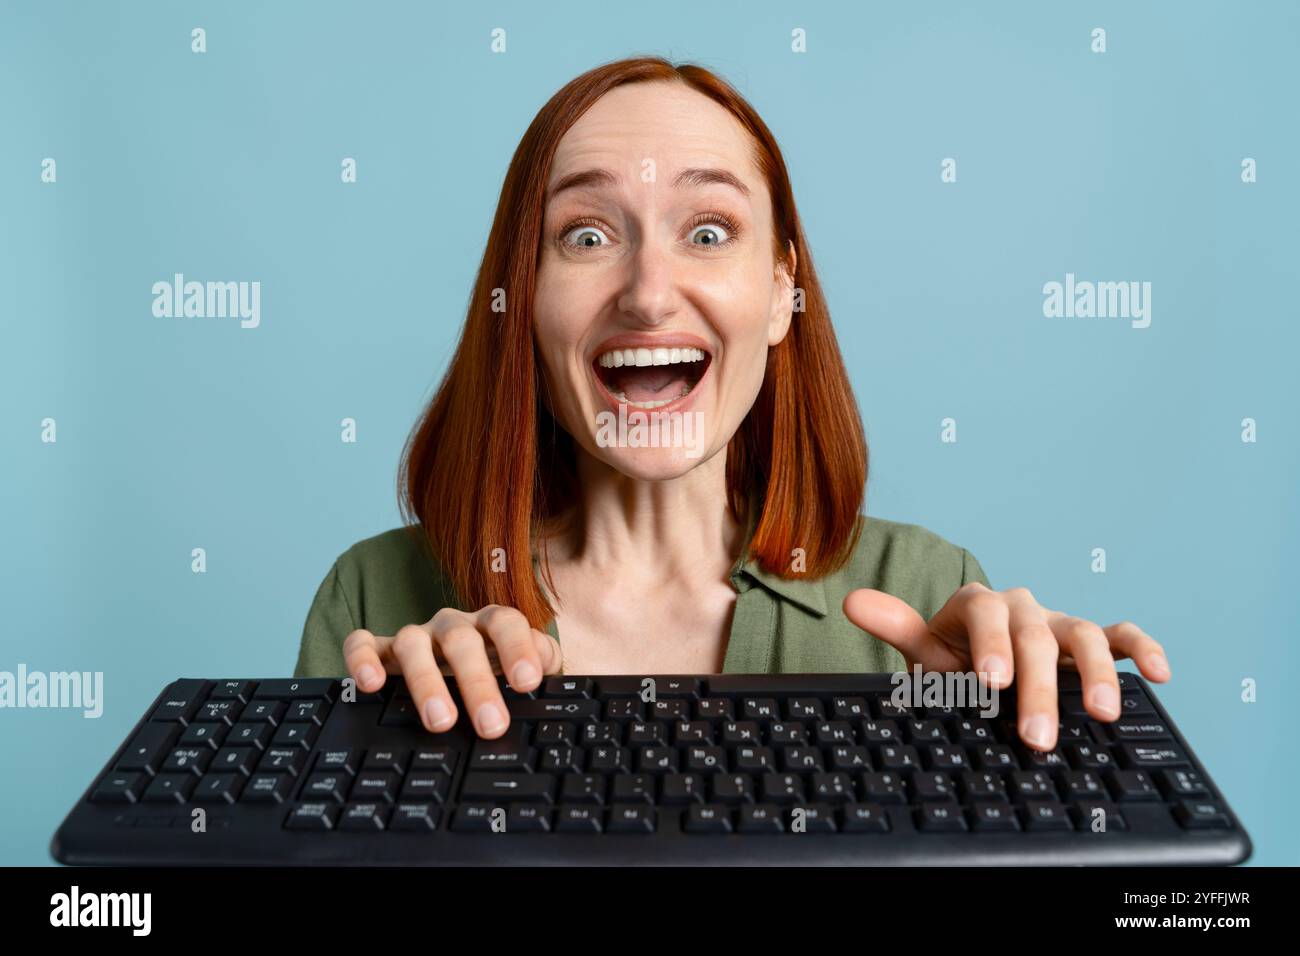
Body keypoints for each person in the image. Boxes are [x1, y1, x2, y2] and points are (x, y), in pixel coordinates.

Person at [294, 57, 1170, 752]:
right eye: (587, 235)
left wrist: (1032, 764)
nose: (647, 293)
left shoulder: (930, 594)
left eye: (708, 232)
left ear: (783, 290)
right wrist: (391, 756)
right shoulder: (377, 598)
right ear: (520, 298)